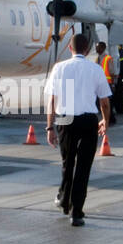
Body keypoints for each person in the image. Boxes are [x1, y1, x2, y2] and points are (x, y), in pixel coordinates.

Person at [46, 33, 112, 226]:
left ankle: (64, 198)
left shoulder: (59, 68)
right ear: (88, 49)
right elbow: (104, 101)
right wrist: (105, 122)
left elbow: (52, 100)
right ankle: (76, 212)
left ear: (70, 48)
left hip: (65, 119)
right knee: (83, 167)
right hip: (88, 120)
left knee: (68, 163)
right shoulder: (96, 69)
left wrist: (50, 127)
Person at [95, 41, 117, 124]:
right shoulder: (97, 58)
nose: (96, 48)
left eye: (98, 47)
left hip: (107, 84)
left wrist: (113, 84)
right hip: (99, 84)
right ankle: (106, 118)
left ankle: (111, 119)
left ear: (103, 48)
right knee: (99, 102)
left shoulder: (108, 58)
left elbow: (112, 72)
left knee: (108, 102)